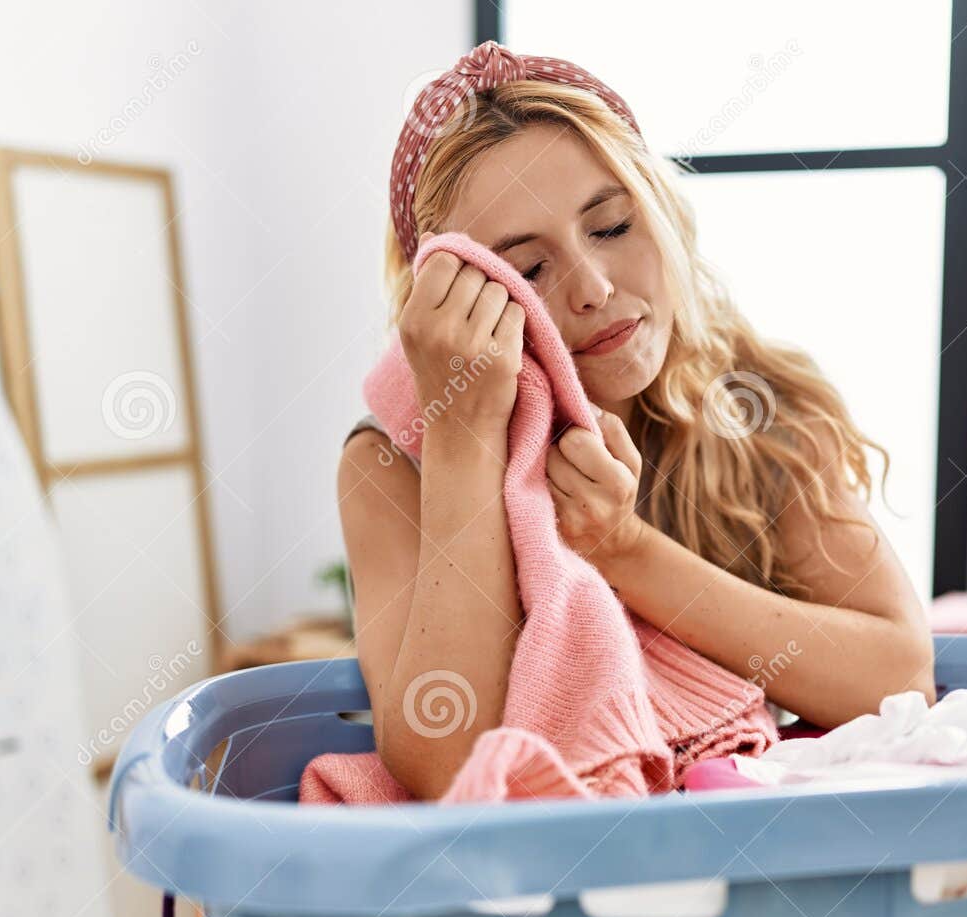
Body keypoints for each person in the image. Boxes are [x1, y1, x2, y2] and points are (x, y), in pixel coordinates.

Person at [340, 42, 933, 800]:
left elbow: (900, 677)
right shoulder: (392, 467)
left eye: (613, 225)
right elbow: (446, 770)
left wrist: (621, 548)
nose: (590, 288)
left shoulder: (762, 408)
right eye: (525, 271)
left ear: (660, 208)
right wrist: (462, 436)